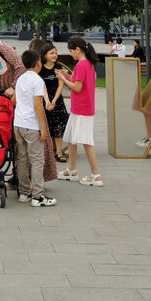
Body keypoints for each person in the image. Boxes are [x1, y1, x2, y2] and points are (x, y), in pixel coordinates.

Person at [0, 29, 58, 186]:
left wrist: (14, 87)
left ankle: (35, 180)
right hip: (7, 103)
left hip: (22, 98)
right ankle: (19, 176)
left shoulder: (2, 49)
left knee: (32, 142)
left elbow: (20, 66)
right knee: (14, 142)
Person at [56, 35, 102, 187]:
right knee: (71, 138)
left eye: (71, 51)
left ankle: (95, 175)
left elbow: (76, 87)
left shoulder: (81, 65)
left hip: (82, 109)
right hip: (81, 108)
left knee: (86, 142)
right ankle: (71, 170)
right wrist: (66, 75)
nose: (70, 54)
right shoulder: (87, 64)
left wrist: (63, 80)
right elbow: (78, 82)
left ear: (77, 49)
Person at [12, 49, 55, 206]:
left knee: (22, 159)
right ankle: (38, 196)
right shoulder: (37, 80)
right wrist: (43, 128)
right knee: (37, 160)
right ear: (38, 62)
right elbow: (38, 105)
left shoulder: (20, 79)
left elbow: (13, 100)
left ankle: (24, 193)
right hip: (31, 125)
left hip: (18, 124)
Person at [39, 42, 69, 163]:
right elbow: (41, 86)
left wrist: (54, 100)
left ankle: (59, 151)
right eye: (51, 53)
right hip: (44, 100)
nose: (54, 55)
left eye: (56, 53)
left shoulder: (59, 69)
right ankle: (49, 150)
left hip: (57, 101)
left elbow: (61, 85)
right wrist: (47, 101)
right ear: (44, 55)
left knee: (58, 126)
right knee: (46, 125)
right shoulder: (40, 69)